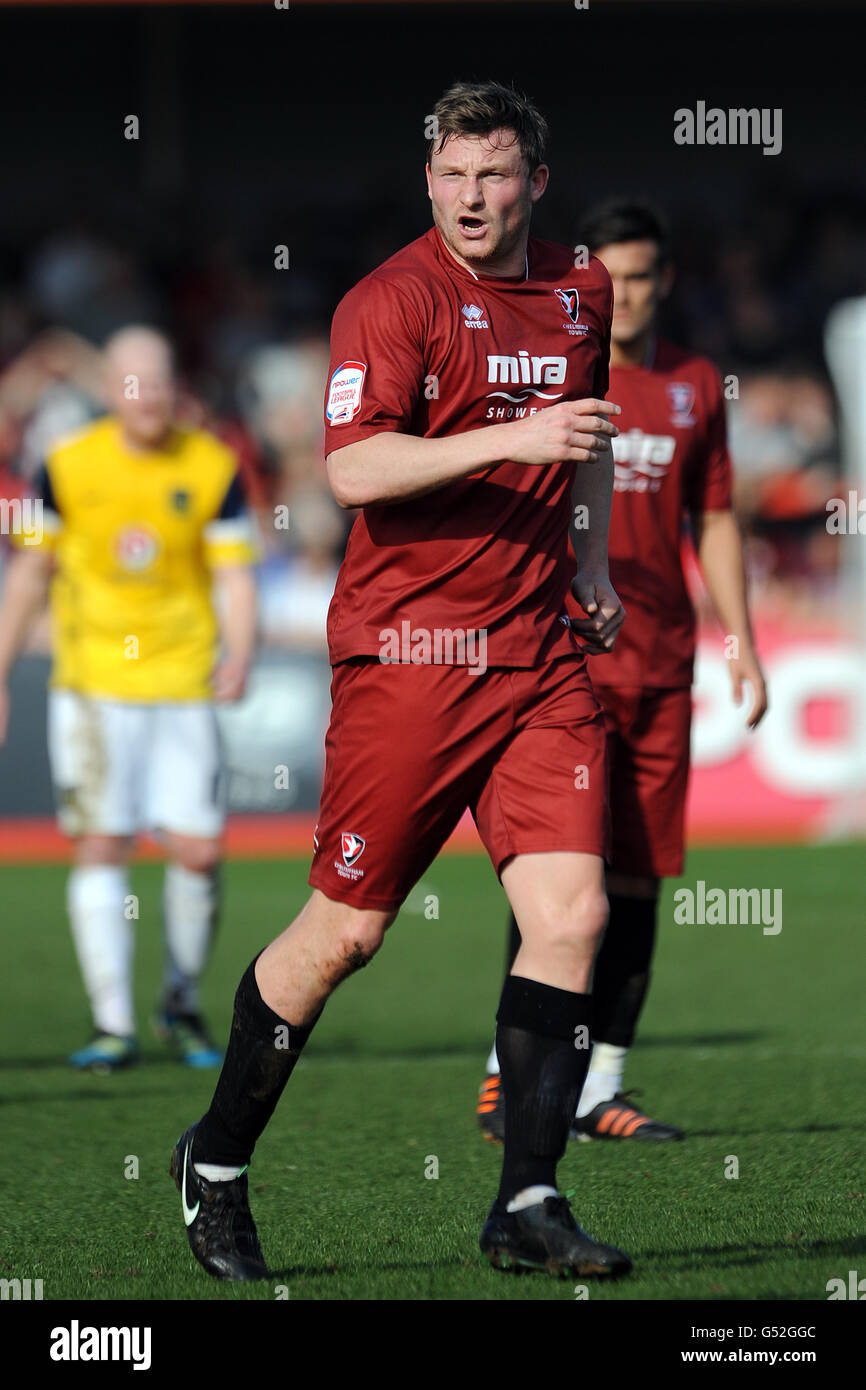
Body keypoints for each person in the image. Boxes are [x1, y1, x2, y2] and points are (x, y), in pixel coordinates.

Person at [169, 80, 633, 1283]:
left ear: (535, 178)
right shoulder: (392, 298)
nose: (472, 198)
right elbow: (353, 470)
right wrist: (505, 440)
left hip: (536, 655)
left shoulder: (582, 288)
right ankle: (215, 1159)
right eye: (451, 176)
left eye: (494, 174)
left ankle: (526, 1198)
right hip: (411, 655)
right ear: (427, 179)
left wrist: (587, 561)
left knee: (572, 918)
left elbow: (585, 435)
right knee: (346, 934)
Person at [477, 199, 768, 1145]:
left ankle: (602, 1086)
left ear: (665, 280)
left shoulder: (693, 385)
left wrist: (743, 640)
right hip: (567, 669)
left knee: (640, 884)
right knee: (562, 886)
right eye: (617, 276)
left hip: (664, 672)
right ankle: (505, 1080)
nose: (629, 295)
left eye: (644, 277)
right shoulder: (550, 374)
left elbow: (714, 519)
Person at [0, 326, 258, 1071]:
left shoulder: (211, 466)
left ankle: (179, 1000)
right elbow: (27, 575)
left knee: (200, 852)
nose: (147, 395)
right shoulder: (66, 465)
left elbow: (236, 575)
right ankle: (113, 1024)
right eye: (132, 381)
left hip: (182, 683)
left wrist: (240, 652)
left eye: (160, 378)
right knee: (103, 843)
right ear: (110, 389)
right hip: (94, 686)